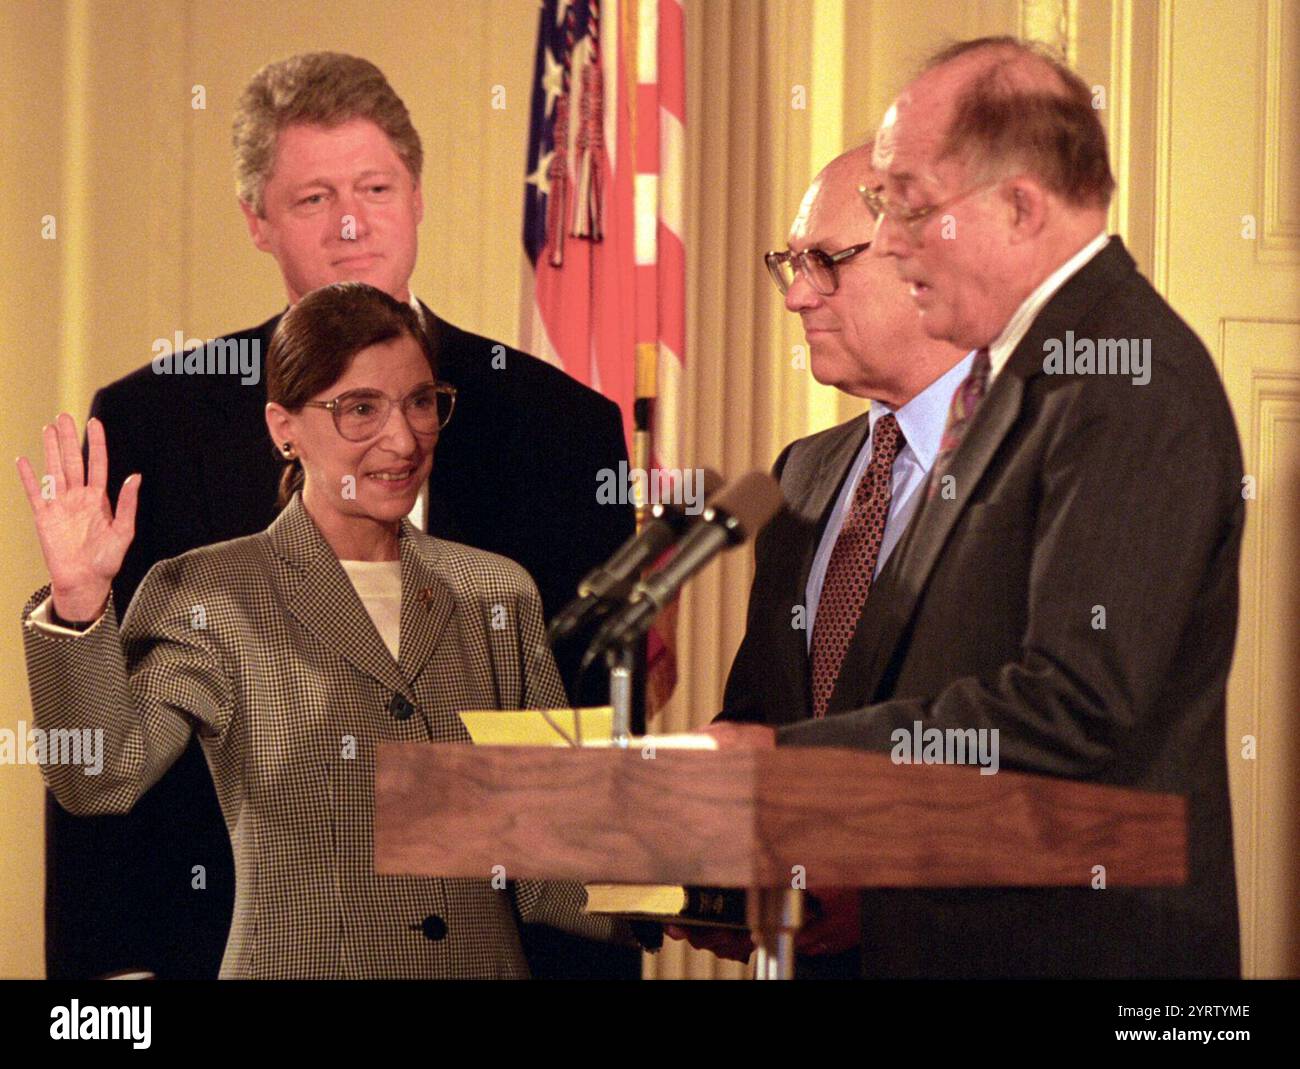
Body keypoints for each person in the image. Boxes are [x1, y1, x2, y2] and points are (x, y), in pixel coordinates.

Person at [49, 51, 636, 980]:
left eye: (375, 186)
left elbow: (577, 767)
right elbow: (108, 764)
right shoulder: (153, 421)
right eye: (314, 198)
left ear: (418, 195)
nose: (354, 223)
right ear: (258, 221)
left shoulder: (565, 429)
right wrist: (110, 980)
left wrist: (689, 884)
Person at [708, 37, 1244, 978]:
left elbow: (1077, 705)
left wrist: (786, 758)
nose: (896, 241)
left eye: (907, 207)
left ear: (1019, 206)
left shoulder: (1126, 375)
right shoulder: (1020, 377)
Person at [663, 147, 969, 978]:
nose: (798, 295)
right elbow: (764, 712)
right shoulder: (800, 473)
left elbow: (1066, 746)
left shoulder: (1036, 464)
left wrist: (889, 890)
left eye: (825, 262)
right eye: (790, 265)